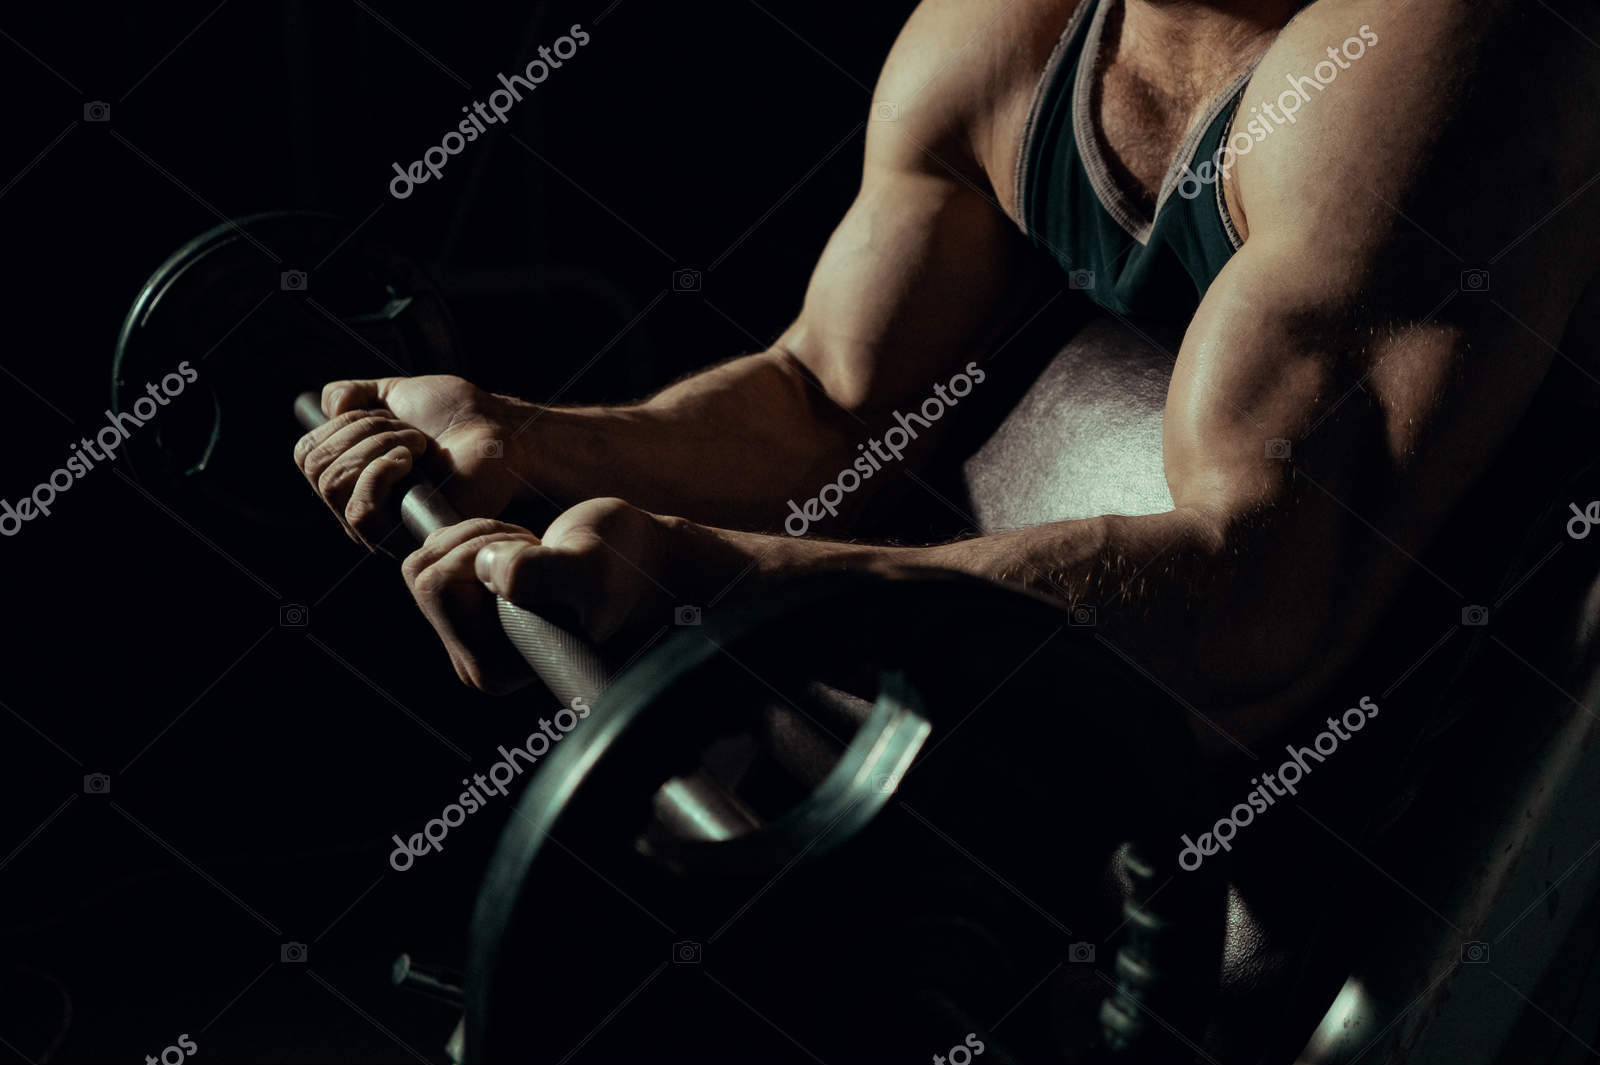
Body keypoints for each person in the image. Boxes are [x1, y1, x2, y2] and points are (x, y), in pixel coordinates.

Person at [294, 0, 1600, 744]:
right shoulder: (1002, 37)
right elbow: (828, 407)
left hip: (1495, 723)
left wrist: (726, 583)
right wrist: (538, 439)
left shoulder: (1439, 53)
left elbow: (1266, 591)